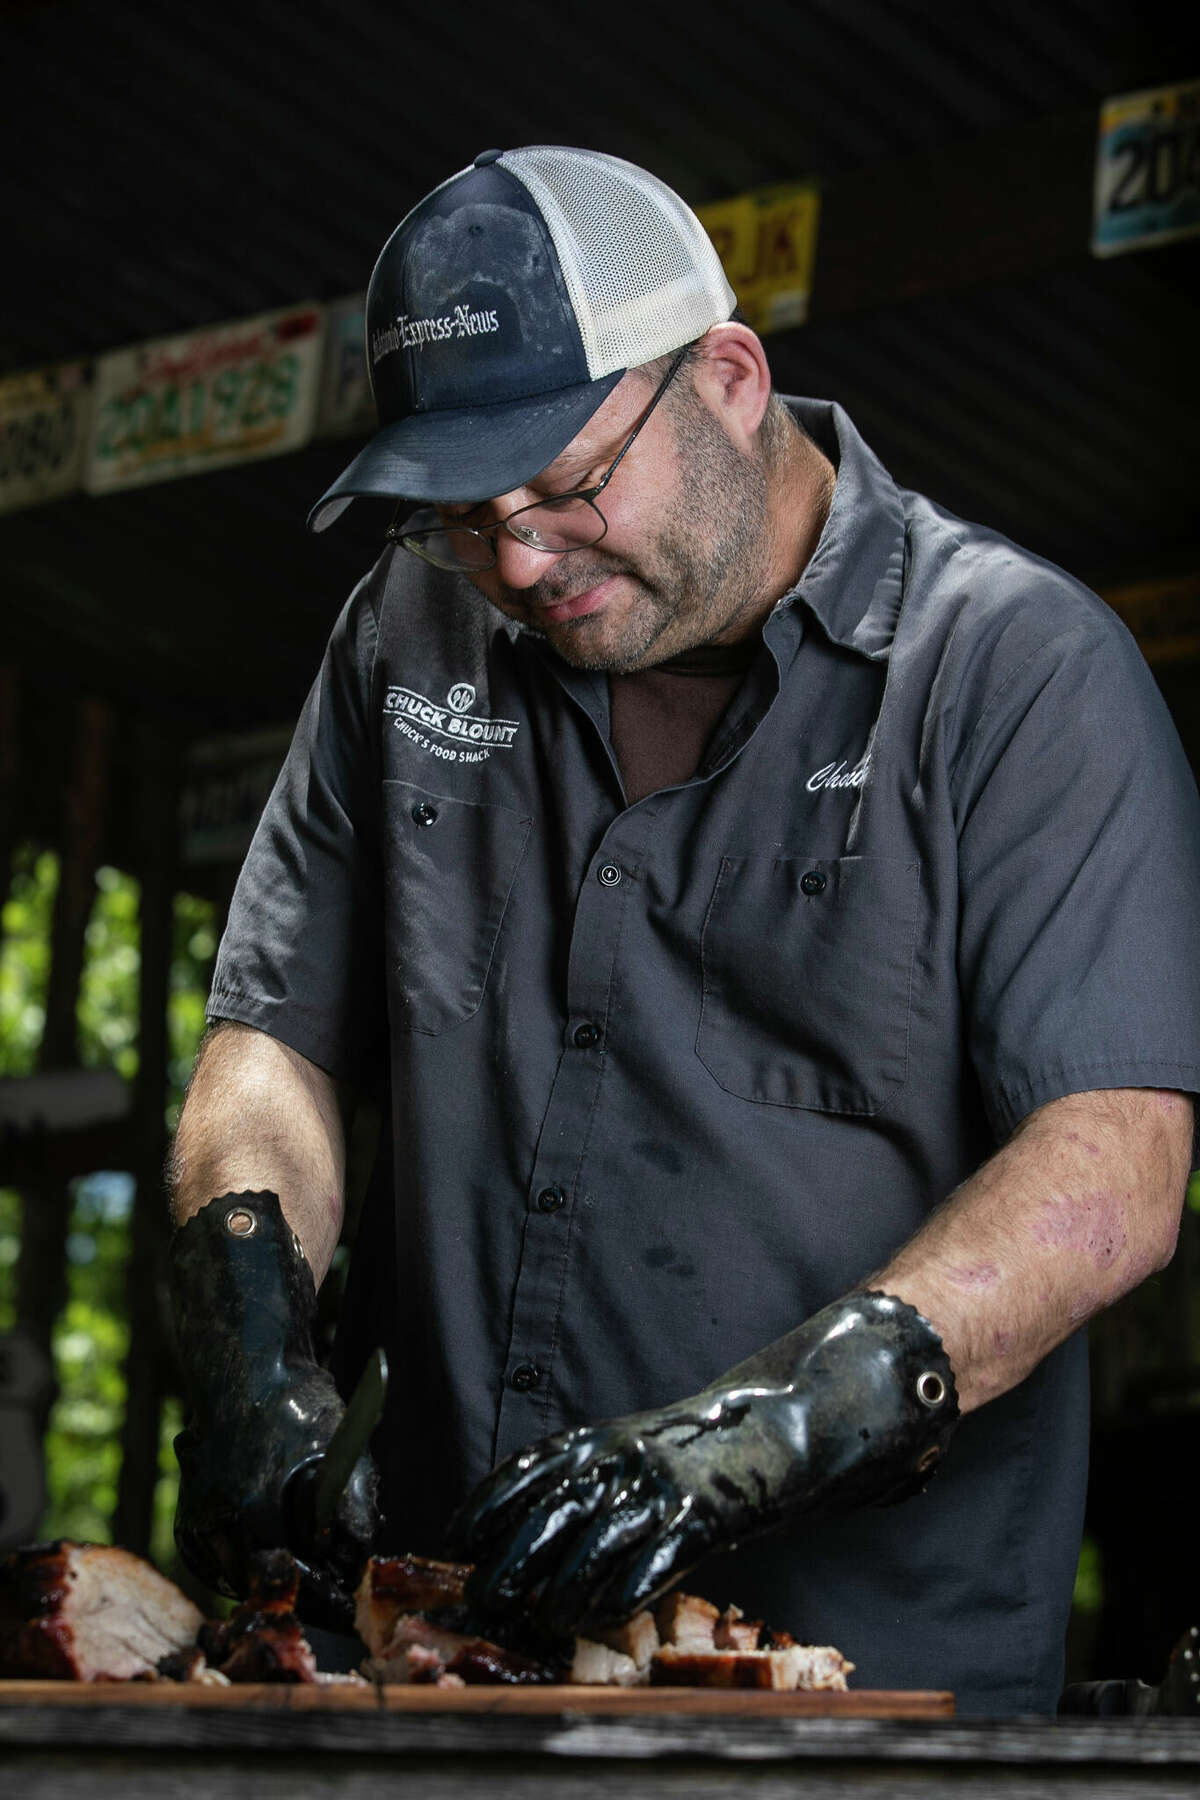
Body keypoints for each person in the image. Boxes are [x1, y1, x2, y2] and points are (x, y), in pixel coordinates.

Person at [167, 146, 1200, 1714]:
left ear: (725, 378)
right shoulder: (409, 631)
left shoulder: (1014, 674)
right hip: (445, 1680)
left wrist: (754, 1438)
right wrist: (247, 1324)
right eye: (462, 513)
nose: (515, 559)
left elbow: (1115, 1170)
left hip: (862, 1700)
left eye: (569, 487)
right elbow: (270, 1049)